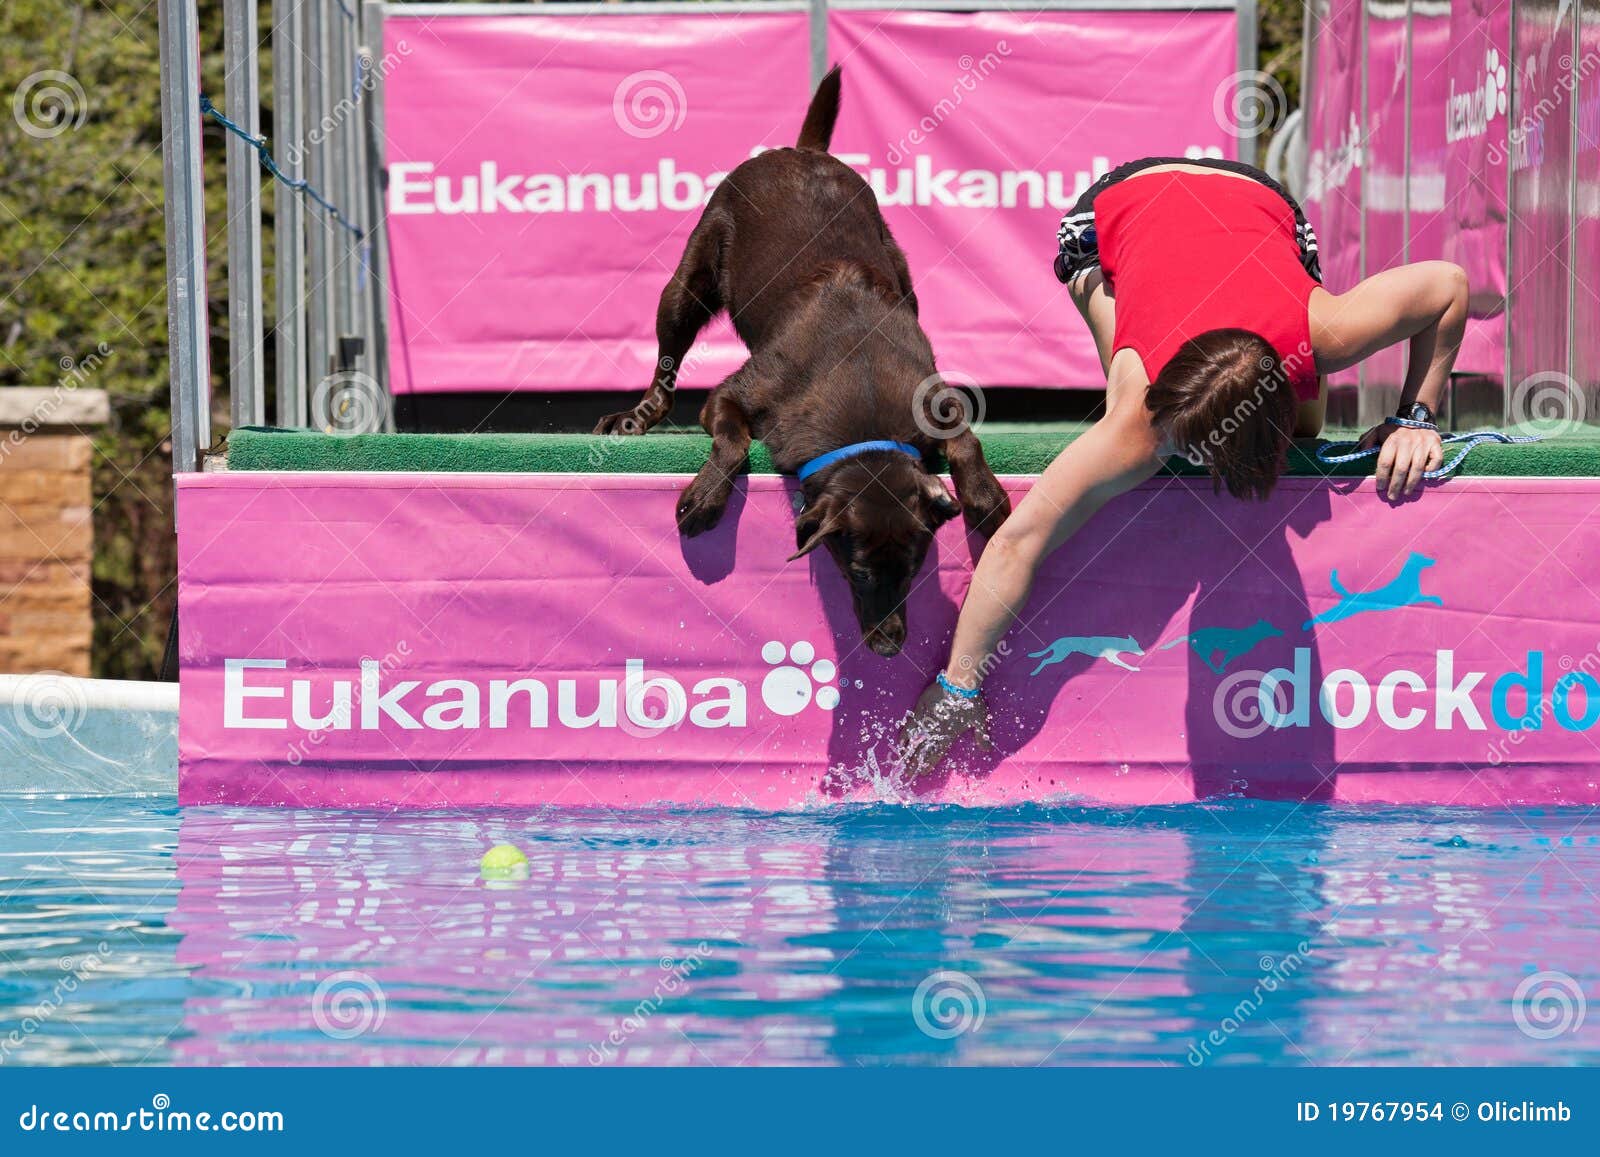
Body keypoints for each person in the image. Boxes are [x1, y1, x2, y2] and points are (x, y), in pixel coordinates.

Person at [896, 156, 1470, 774]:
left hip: (1257, 200)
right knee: (1132, 394)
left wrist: (1416, 418)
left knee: (1305, 429)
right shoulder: (1134, 422)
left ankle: (1278, 419)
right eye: (1178, 442)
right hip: (1118, 202)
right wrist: (958, 690)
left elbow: (1449, 286)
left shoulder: (1322, 332)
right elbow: (1017, 543)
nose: (1169, 451)